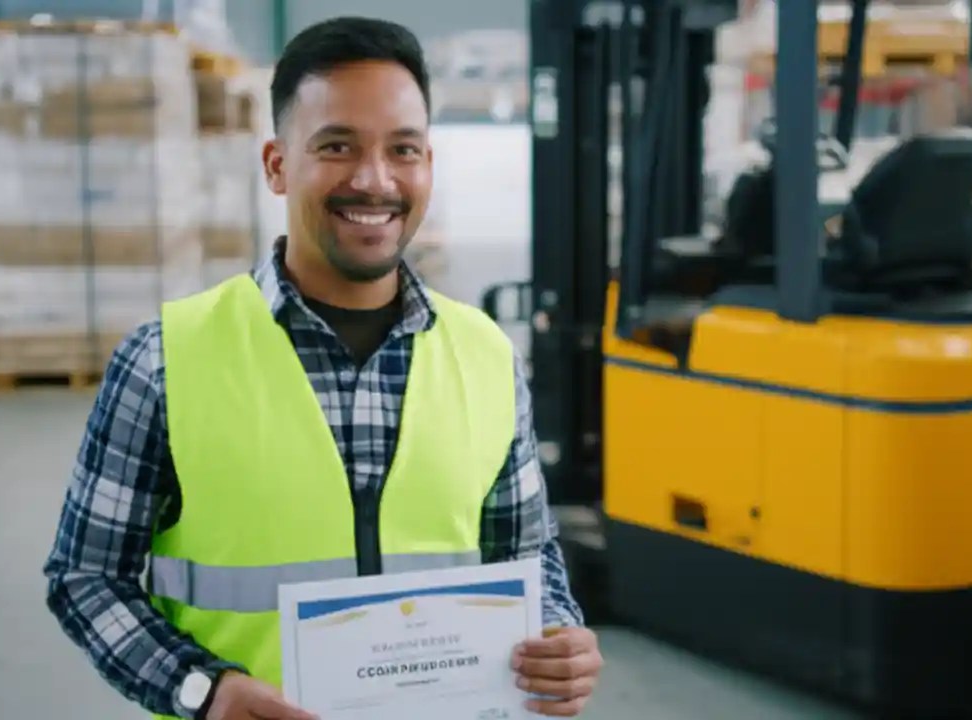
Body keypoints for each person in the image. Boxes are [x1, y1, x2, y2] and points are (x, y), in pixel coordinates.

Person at [42, 16, 602, 720]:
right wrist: (201, 689)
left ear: (428, 163)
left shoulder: (485, 355)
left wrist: (558, 629)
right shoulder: (166, 359)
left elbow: (526, 554)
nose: (375, 180)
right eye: (337, 146)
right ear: (277, 165)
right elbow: (87, 576)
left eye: (404, 150)